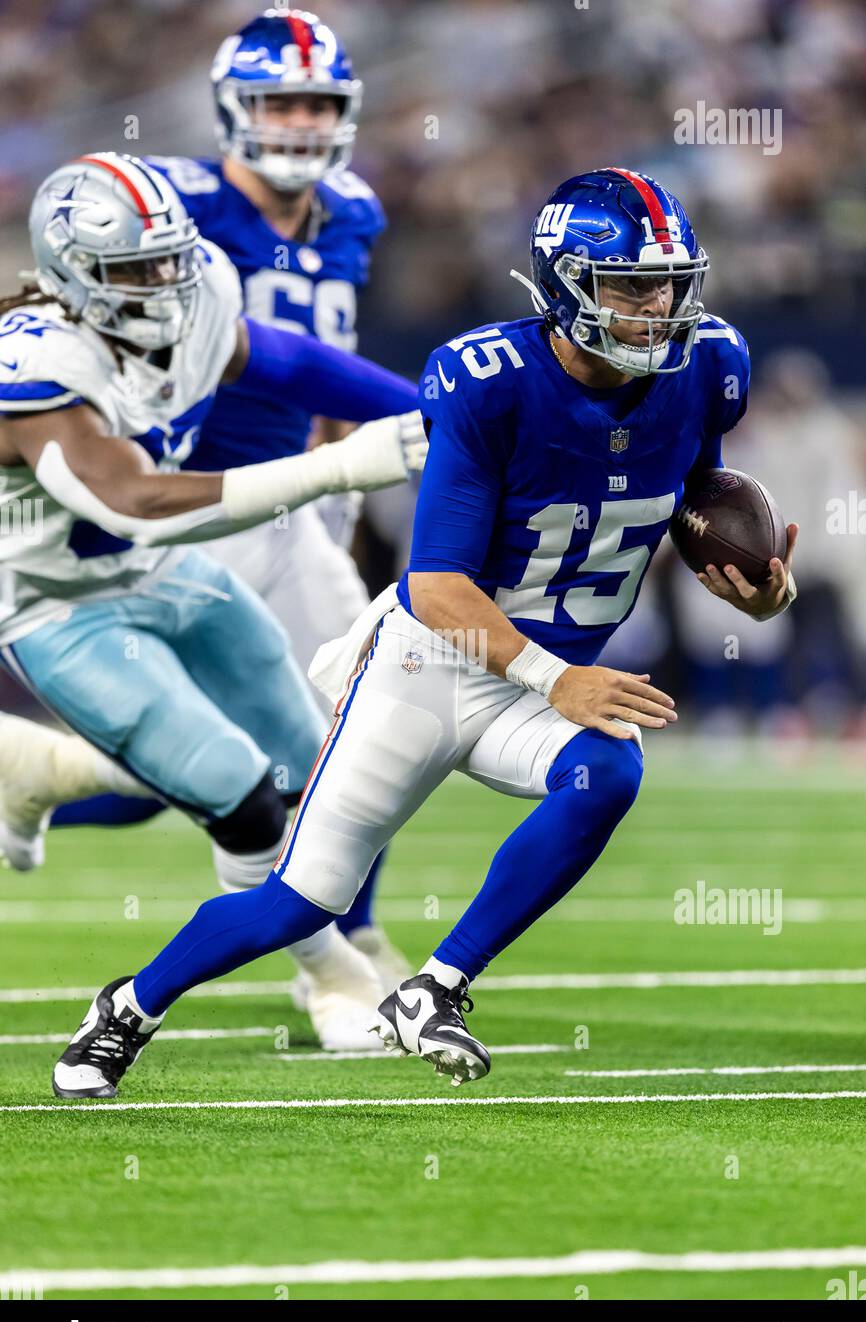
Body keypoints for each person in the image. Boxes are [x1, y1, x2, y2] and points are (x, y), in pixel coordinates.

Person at [51, 167, 797, 1099]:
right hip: (430, 664)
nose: (657, 308)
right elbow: (435, 584)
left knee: (609, 769)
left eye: (669, 284)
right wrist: (557, 679)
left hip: (536, 680)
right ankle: (128, 1007)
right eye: (628, 287)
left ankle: (433, 988)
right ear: (565, 285)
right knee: (298, 900)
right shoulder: (489, 381)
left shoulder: (710, 368)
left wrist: (752, 586)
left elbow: (696, 498)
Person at [0, 151, 425, 1050]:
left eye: (170, 258)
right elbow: (132, 502)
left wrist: (444, 407)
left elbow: (288, 361)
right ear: (73, 273)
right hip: (57, 602)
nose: (163, 283)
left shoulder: (199, 299)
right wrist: (342, 465)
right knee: (237, 793)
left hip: (164, 576)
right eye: (135, 268)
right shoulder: (37, 363)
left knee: (316, 767)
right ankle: (335, 979)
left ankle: (40, 771)